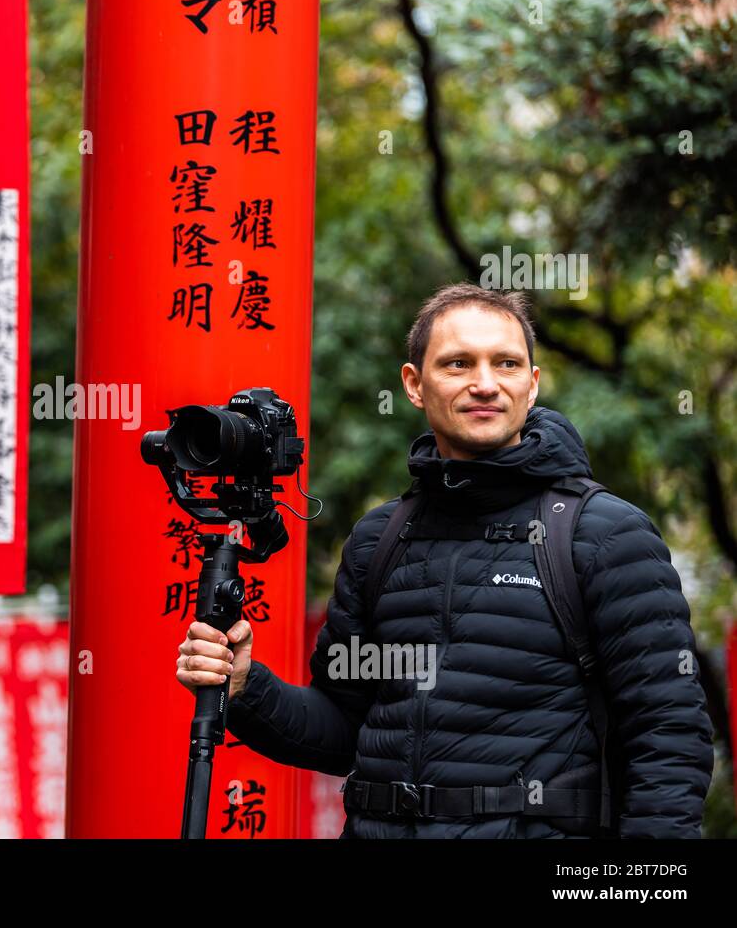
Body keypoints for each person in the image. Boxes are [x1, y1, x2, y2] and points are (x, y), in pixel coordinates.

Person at [175, 283, 714, 837]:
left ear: (531, 386)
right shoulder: (380, 539)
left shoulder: (603, 534)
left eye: (506, 363)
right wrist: (245, 687)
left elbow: (668, 737)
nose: (485, 384)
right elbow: (343, 729)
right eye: (458, 364)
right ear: (414, 385)